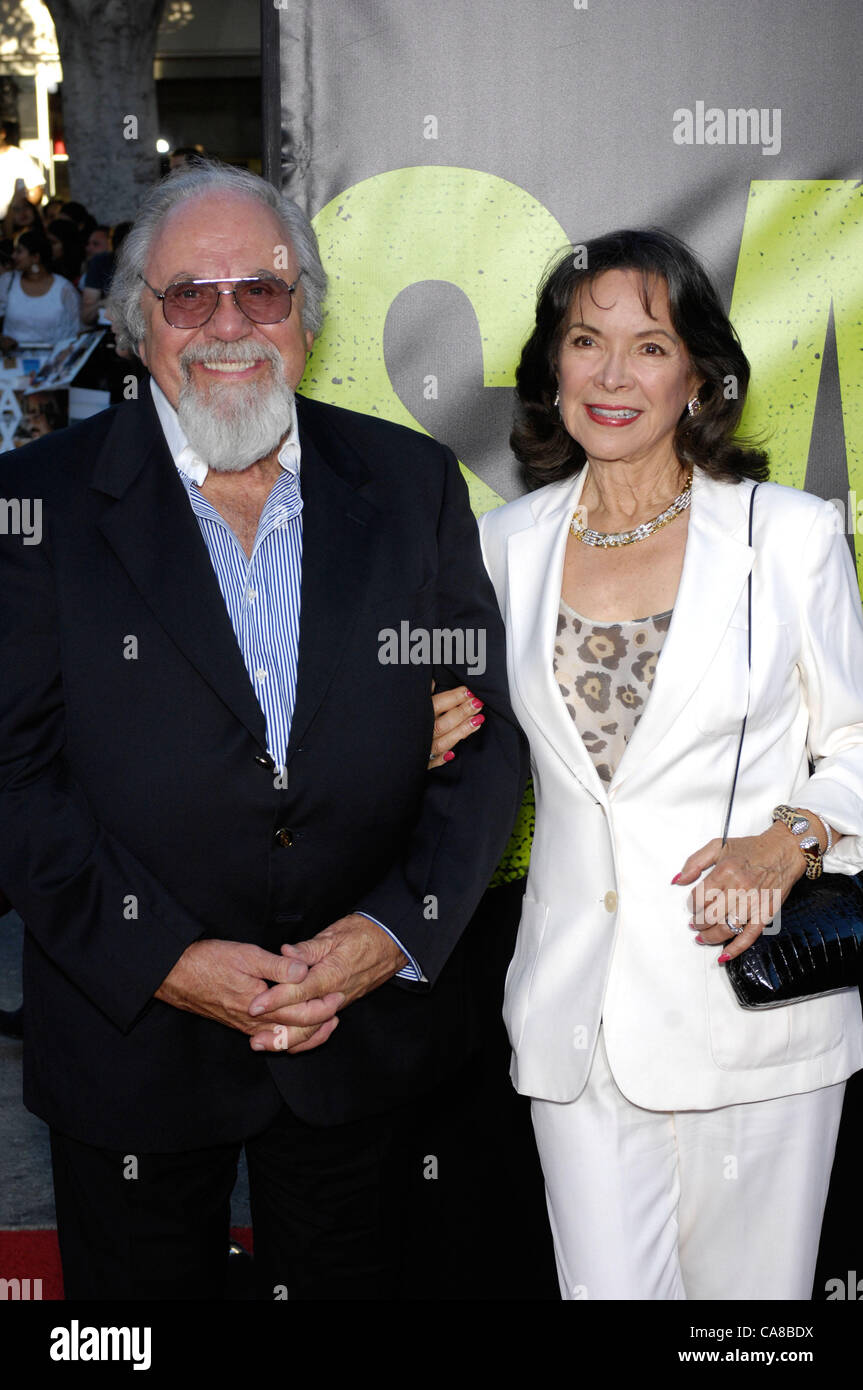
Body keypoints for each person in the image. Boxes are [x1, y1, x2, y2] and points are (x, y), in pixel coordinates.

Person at [0, 161, 525, 1301]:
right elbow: (14, 777)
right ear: (138, 322)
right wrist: (163, 960)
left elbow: (481, 745)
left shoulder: (410, 483)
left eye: (263, 292)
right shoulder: (37, 505)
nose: (230, 324)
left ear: (305, 315)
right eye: (191, 296)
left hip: (357, 1034)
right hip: (128, 1039)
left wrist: (389, 935)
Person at [473, 228, 863, 1301]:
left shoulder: (785, 537)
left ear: (696, 373)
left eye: (646, 346)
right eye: (583, 340)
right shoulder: (504, 547)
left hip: (744, 1001)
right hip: (573, 1018)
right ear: (549, 365)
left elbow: (856, 744)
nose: (609, 373)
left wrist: (789, 840)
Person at [0, 227, 80, 348]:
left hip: (54, 362)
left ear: (35, 257)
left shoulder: (64, 289)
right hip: (11, 362)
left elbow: (79, 329)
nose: (13, 256)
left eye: (19, 251)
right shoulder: (7, 282)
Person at [0, 122, 44, 222]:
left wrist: (21, 215)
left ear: (2, 133)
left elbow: (36, 190)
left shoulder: (19, 157)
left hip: (13, 223)